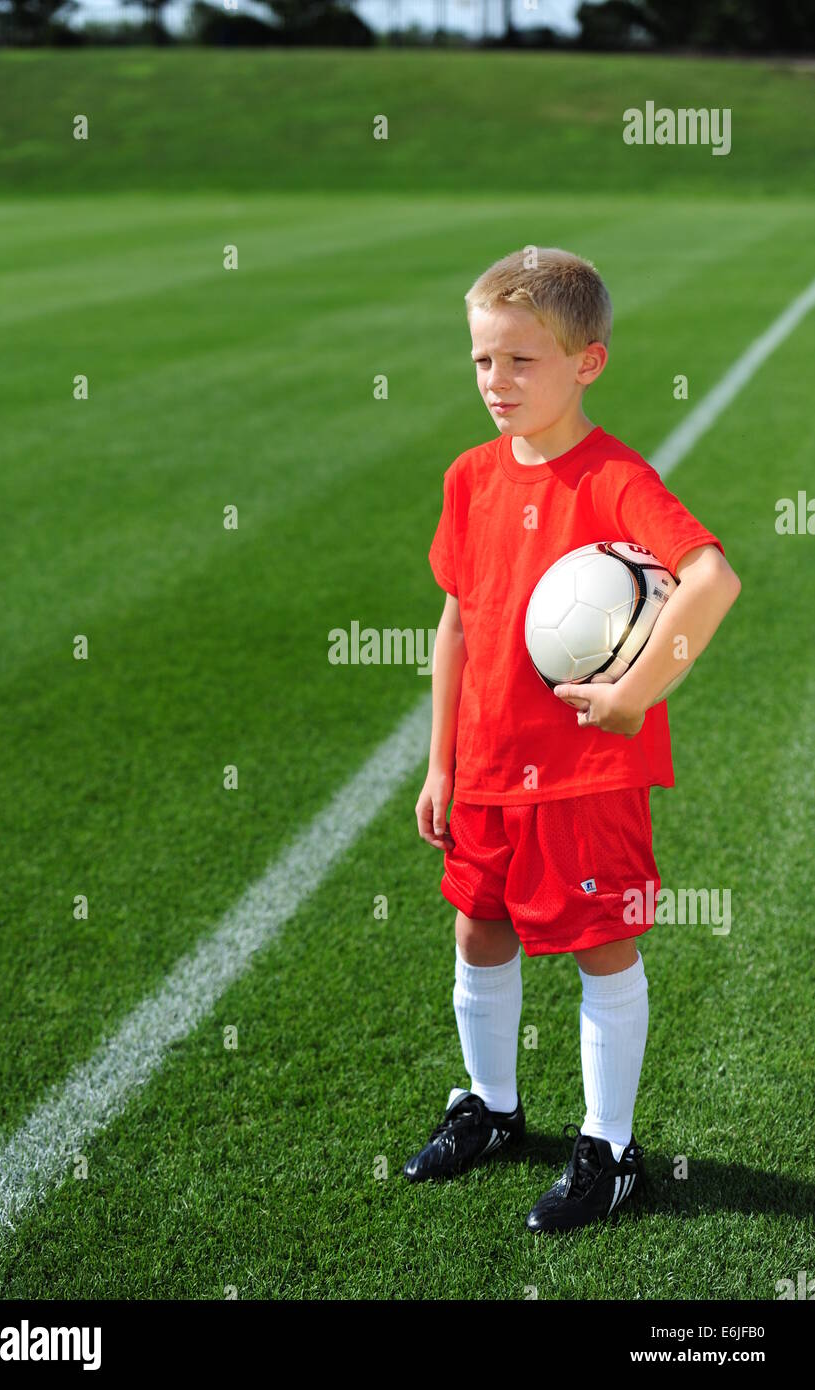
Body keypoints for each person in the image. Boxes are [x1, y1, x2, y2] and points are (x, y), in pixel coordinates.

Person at [407, 246, 742, 1233]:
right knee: (478, 926)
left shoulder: (613, 479)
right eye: (482, 361)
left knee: (599, 944)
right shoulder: (467, 477)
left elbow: (710, 578)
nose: (496, 382)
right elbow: (459, 620)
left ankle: (608, 1146)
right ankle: (495, 1109)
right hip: (485, 769)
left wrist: (637, 693)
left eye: (522, 361)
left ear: (585, 363)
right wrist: (440, 761)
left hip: (586, 771)